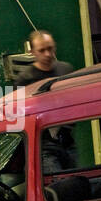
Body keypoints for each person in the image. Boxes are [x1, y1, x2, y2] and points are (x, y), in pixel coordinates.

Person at [14, 30, 76, 174]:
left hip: (67, 140)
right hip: (43, 145)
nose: (47, 54)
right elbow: (19, 117)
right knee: (56, 183)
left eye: (50, 48)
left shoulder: (65, 70)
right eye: (42, 50)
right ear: (33, 52)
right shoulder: (25, 79)